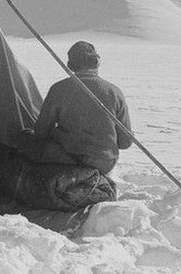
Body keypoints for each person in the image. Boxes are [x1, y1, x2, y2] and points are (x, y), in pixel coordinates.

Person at [18, 41, 132, 174]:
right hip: (104, 163)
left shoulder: (59, 89)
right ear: (96, 62)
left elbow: (41, 132)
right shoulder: (115, 91)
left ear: (71, 65)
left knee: (24, 139)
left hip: (68, 159)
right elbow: (126, 142)